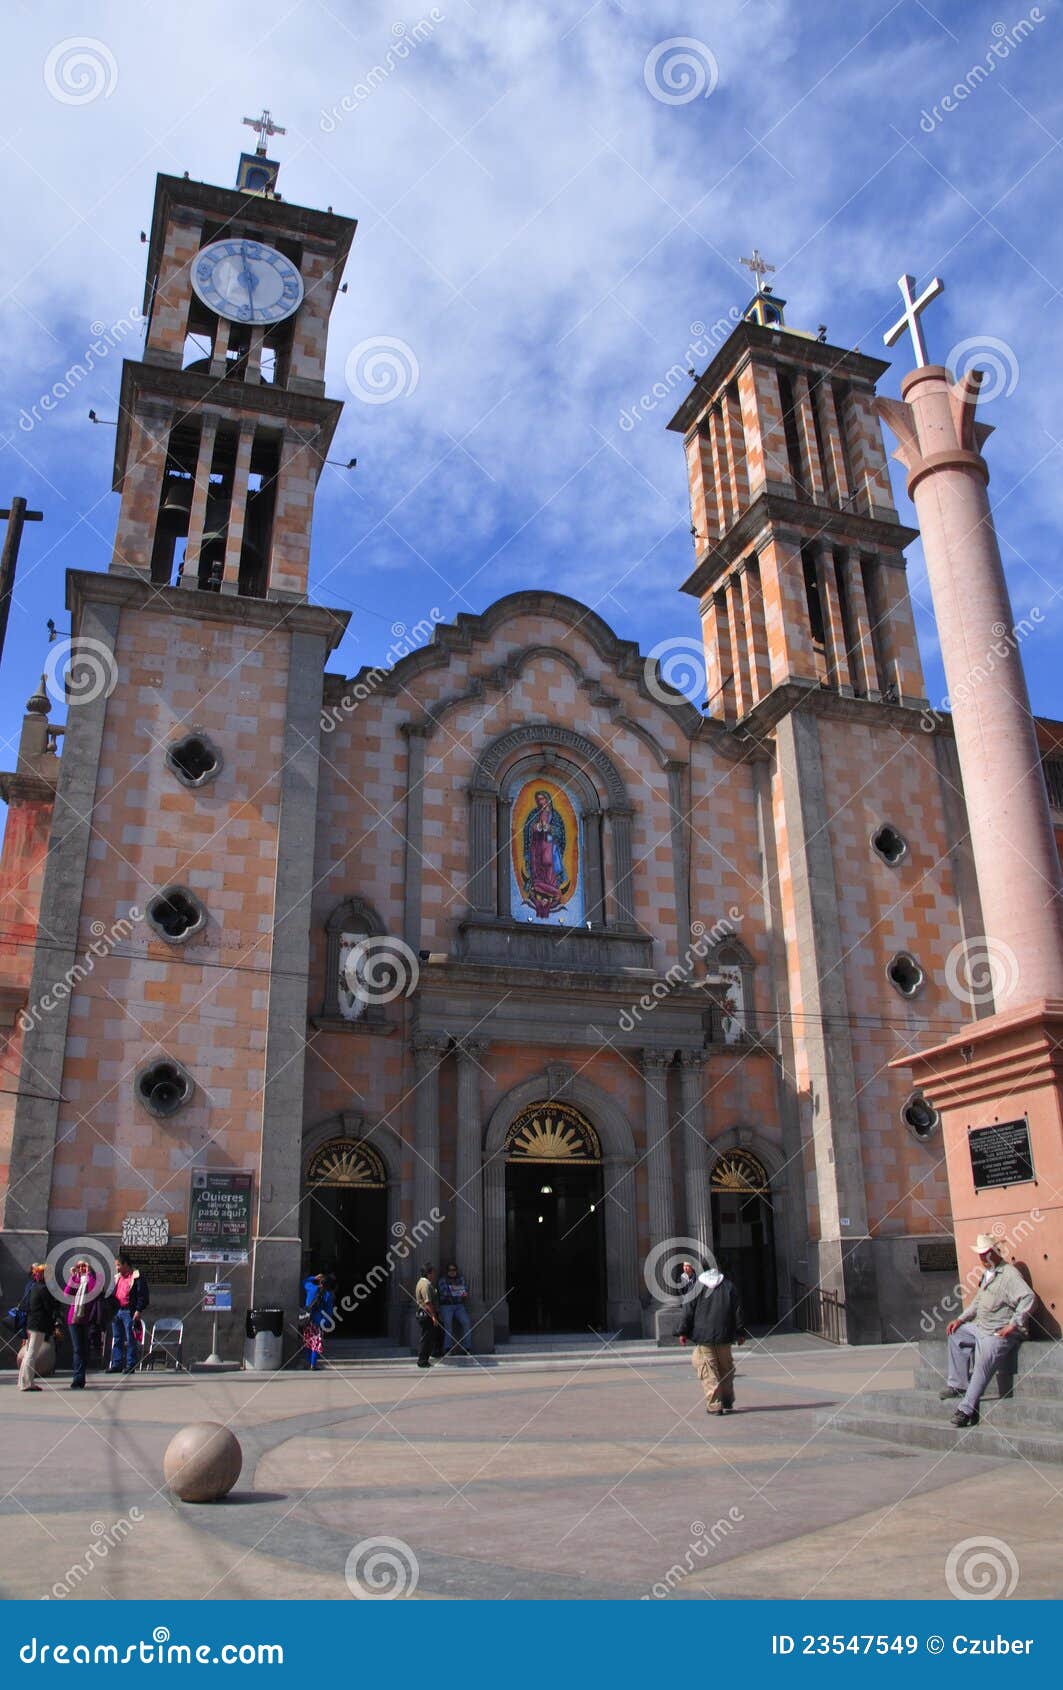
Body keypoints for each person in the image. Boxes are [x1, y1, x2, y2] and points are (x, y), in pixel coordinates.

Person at [942, 1234, 1036, 1427]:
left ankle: (965, 1410)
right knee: (956, 1334)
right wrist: (960, 1319)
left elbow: (1028, 1297)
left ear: (995, 1252)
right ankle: (958, 1384)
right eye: (981, 1255)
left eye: (986, 1254)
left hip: (999, 1331)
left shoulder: (1009, 1274)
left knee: (982, 1362)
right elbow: (978, 1302)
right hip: (981, 1326)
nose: (983, 1258)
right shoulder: (988, 1273)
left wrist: (1014, 1323)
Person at [677, 1257, 746, 1415]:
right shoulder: (729, 1286)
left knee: (709, 1369)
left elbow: (688, 1312)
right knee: (726, 1367)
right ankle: (727, 1400)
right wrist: (740, 1332)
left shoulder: (696, 1288)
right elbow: (738, 1312)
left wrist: (683, 1331)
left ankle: (715, 1404)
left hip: (704, 1335)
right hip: (724, 1334)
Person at [18, 1264, 62, 1393]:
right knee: (31, 1354)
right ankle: (27, 1383)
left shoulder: (34, 1287)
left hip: (32, 1324)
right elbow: (49, 1308)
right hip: (39, 1325)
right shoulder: (43, 1289)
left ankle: (24, 1381)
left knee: (29, 1353)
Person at [64, 1259, 102, 1390]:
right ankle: (77, 1378)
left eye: (84, 1266)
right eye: (79, 1266)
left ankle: (81, 1377)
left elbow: (93, 1289)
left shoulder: (93, 1279)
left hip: (87, 1319)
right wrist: (74, 1277)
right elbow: (67, 1293)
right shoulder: (76, 1279)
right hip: (73, 1318)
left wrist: (89, 1274)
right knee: (78, 1349)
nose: (81, 1268)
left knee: (84, 1349)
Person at [108, 1254, 149, 1375]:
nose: (117, 1268)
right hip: (117, 1311)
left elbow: (143, 1296)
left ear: (125, 1264)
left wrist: (138, 1310)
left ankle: (131, 1364)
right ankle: (117, 1364)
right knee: (117, 1338)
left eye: (118, 1265)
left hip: (129, 1311)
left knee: (131, 1338)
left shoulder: (137, 1277)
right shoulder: (118, 1277)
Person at [301, 1271, 335, 1371]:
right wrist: (327, 1322)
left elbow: (304, 1281)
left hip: (307, 1319)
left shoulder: (311, 1288)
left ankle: (308, 1362)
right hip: (319, 1320)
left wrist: (314, 1277)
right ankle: (313, 1364)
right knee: (316, 1342)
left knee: (308, 1340)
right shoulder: (328, 1295)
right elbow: (329, 1310)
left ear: (319, 1282)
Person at [438, 1262, 473, 1357]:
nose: (452, 1272)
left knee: (466, 1322)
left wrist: (454, 1290)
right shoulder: (442, 1280)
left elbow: (464, 1290)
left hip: (459, 1305)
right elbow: (443, 1292)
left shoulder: (460, 1279)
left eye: (454, 1270)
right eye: (450, 1270)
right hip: (446, 1306)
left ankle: (467, 1347)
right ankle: (447, 1348)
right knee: (448, 1326)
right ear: (447, 1271)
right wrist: (457, 1290)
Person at [414, 1263, 443, 1368]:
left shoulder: (421, 1283)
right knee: (427, 1338)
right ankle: (422, 1360)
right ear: (428, 1273)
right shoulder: (426, 1285)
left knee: (429, 1337)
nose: (434, 1275)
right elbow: (428, 1302)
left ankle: (428, 1356)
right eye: (433, 1272)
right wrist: (434, 1316)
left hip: (424, 1313)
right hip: (426, 1314)